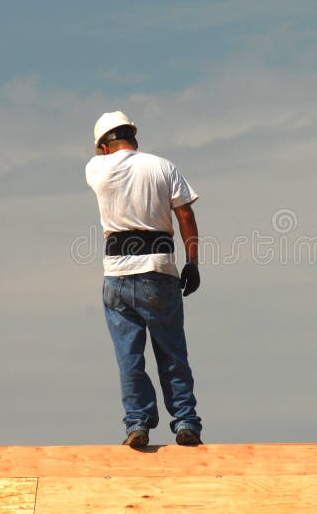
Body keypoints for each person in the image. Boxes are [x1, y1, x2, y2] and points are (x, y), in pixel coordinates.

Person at [85, 111, 203, 448]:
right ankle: (185, 423)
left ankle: (137, 424)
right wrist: (192, 262)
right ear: (133, 137)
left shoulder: (95, 169)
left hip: (117, 275)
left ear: (103, 145)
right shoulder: (163, 167)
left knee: (129, 356)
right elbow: (185, 214)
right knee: (172, 352)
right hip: (158, 270)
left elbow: (102, 161)